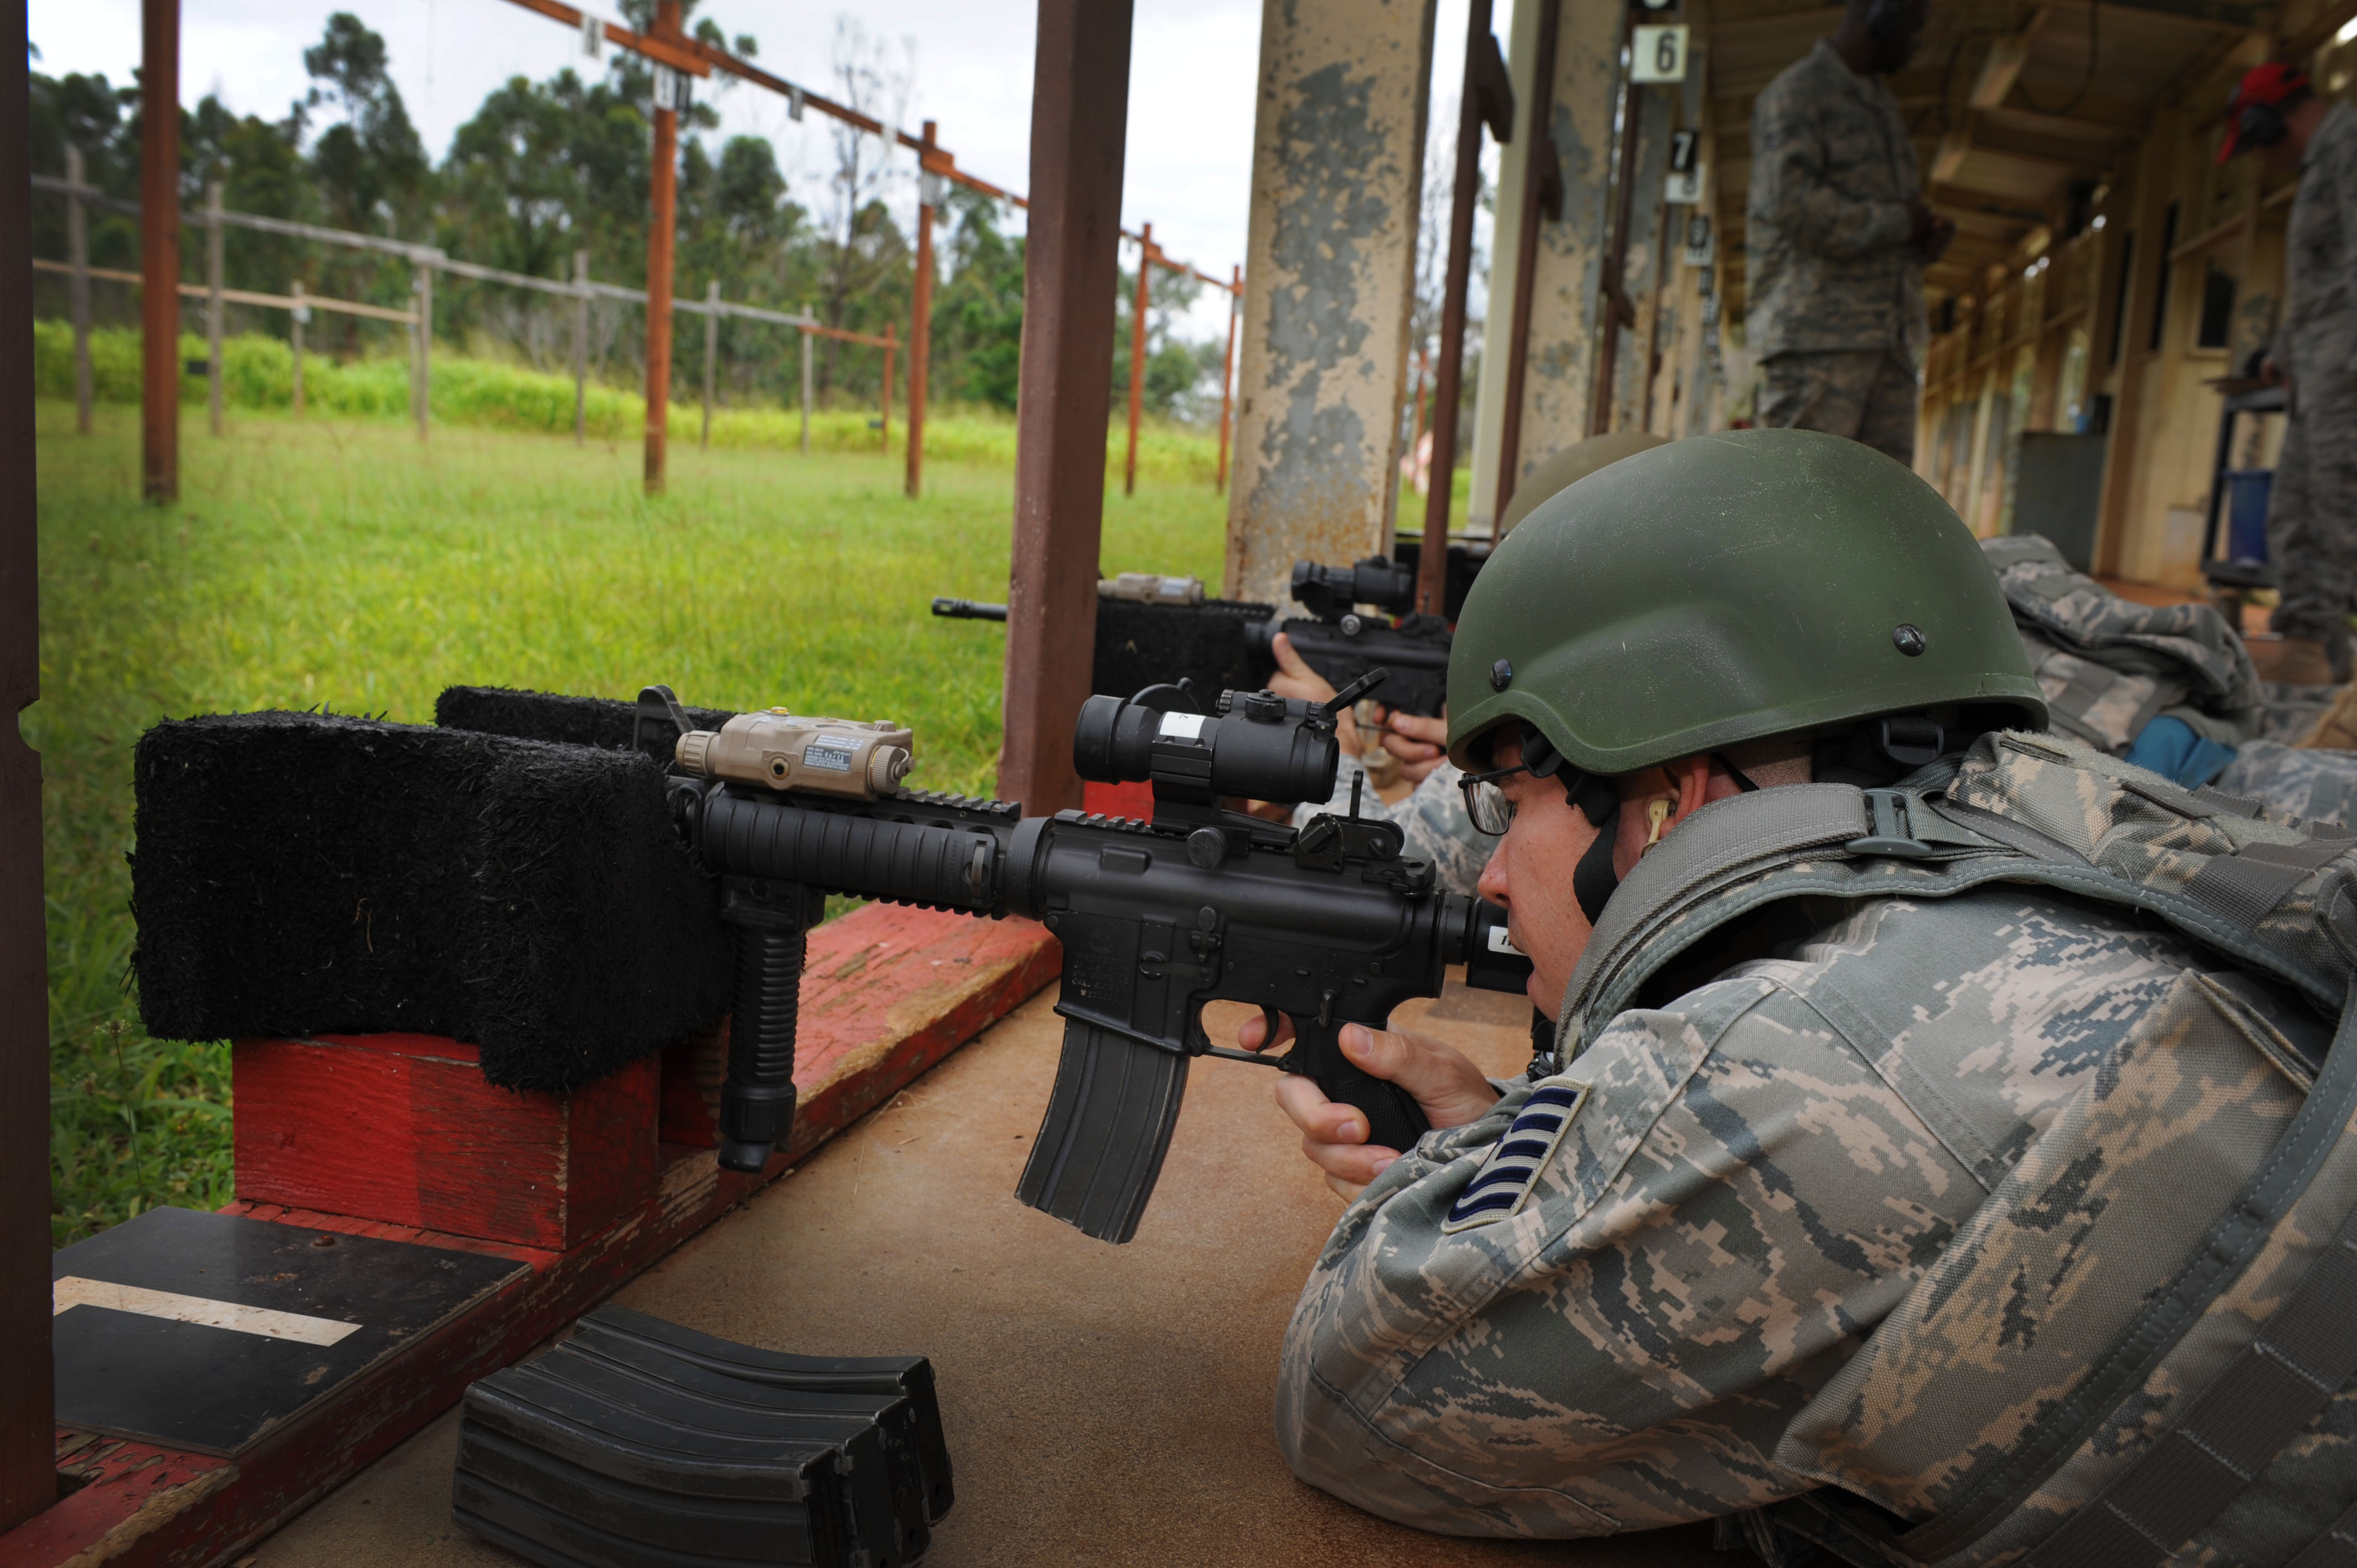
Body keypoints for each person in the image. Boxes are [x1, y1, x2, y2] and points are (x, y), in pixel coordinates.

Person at [1241, 430, 2357, 1564]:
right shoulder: (2060, 833)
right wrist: (1543, 1146)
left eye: (1508, 806)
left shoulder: (1811, 1056)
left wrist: (1502, 1155)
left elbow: (1355, 1396)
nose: (1487, 875)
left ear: (1671, 803)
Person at [1746, 0, 1952, 464]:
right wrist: (1900, 222)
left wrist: (1920, 244)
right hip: (1820, 341)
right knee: (1797, 496)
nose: (1916, 47)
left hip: (1889, 340)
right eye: (1913, 30)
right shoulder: (1798, 94)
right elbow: (1790, 204)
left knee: (1886, 505)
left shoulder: (1882, 104)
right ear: (1881, 16)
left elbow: (1881, 223)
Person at [2221, 64, 2357, 687]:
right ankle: (2310, 659)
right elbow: (2319, 279)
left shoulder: (2349, 142)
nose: (2258, 158)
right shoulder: (2317, 169)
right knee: (2301, 516)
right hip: (2319, 373)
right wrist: (2286, 347)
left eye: (2252, 142)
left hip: (2345, 371)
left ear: (2266, 120)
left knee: (2343, 513)